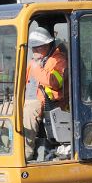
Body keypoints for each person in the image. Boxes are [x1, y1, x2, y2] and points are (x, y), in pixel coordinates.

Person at [23, 21, 67, 160]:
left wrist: (37, 68)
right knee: (8, 109)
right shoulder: (35, 62)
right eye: (33, 47)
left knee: (29, 111)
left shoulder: (58, 60)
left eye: (38, 48)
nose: (34, 51)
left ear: (47, 45)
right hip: (33, 98)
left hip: (53, 103)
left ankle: (25, 153)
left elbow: (55, 82)